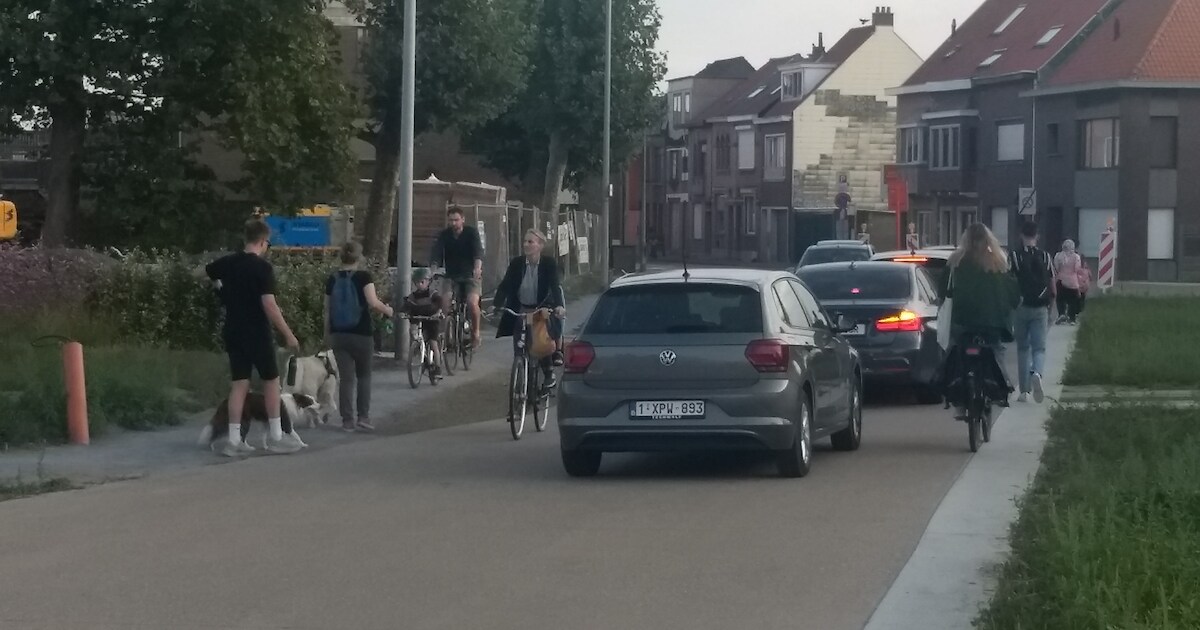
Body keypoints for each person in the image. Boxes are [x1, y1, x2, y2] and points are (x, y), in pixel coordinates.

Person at [200, 218, 304, 456]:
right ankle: (277, 436)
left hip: (233, 330)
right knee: (271, 382)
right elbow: (269, 304)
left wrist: (222, 291)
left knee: (239, 384)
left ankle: (234, 440)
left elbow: (208, 272)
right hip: (257, 331)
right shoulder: (262, 269)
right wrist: (288, 334)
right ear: (262, 242)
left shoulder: (227, 263)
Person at [940, 222, 1020, 416]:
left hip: (962, 322)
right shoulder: (998, 261)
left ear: (966, 239)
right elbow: (1013, 294)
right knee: (997, 351)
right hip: (992, 324)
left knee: (956, 353)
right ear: (988, 239)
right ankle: (1001, 390)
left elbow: (944, 290)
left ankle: (959, 401)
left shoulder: (955, 262)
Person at [324, 241, 394, 432]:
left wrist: (327, 333)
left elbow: (327, 309)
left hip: (339, 334)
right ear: (359, 257)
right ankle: (363, 417)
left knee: (346, 378)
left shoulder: (332, 278)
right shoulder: (364, 277)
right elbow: (373, 302)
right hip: (361, 333)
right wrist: (388, 310)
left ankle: (347, 420)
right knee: (364, 376)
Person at [493, 229, 566, 389]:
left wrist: (559, 305)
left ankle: (548, 373)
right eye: (525, 241)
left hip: (540, 308)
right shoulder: (517, 263)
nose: (526, 244)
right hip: (521, 308)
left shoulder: (548, 263)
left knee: (539, 340)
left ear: (540, 245)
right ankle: (519, 370)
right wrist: (497, 304)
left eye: (530, 242)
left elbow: (555, 286)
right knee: (519, 342)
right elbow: (505, 285)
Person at [1008, 221, 1056, 403]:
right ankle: (1037, 372)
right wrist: (1051, 304)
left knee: (1022, 348)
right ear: (1037, 236)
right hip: (1040, 308)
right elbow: (1052, 283)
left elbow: (1009, 280)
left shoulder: (1014, 256)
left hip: (1021, 307)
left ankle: (1024, 391)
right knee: (1039, 348)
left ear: (1021, 235)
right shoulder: (1045, 256)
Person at [430, 207, 483, 348]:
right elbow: (437, 252)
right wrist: (434, 268)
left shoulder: (471, 233)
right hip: (452, 275)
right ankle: (446, 335)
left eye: (456, 220)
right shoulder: (445, 235)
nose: (453, 223)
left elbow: (478, 252)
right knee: (445, 302)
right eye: (451, 220)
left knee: (472, 303)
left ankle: (476, 333)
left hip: (470, 275)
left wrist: (477, 268)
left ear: (463, 220)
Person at [400, 267, 445, 376]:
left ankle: (438, 367)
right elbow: (407, 304)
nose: (419, 285)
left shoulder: (433, 294)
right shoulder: (413, 296)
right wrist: (402, 312)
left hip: (432, 320)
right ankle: (420, 351)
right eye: (417, 283)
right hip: (419, 319)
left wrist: (438, 312)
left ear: (428, 282)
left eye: (422, 282)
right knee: (414, 333)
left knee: (433, 342)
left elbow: (439, 303)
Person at [1053, 239, 1083, 324]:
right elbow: (1076, 269)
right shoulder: (1076, 257)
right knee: (1073, 300)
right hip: (1072, 282)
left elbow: (1056, 268)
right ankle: (1072, 318)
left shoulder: (1058, 256)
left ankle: (1061, 314)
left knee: (1060, 299)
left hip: (1060, 280)